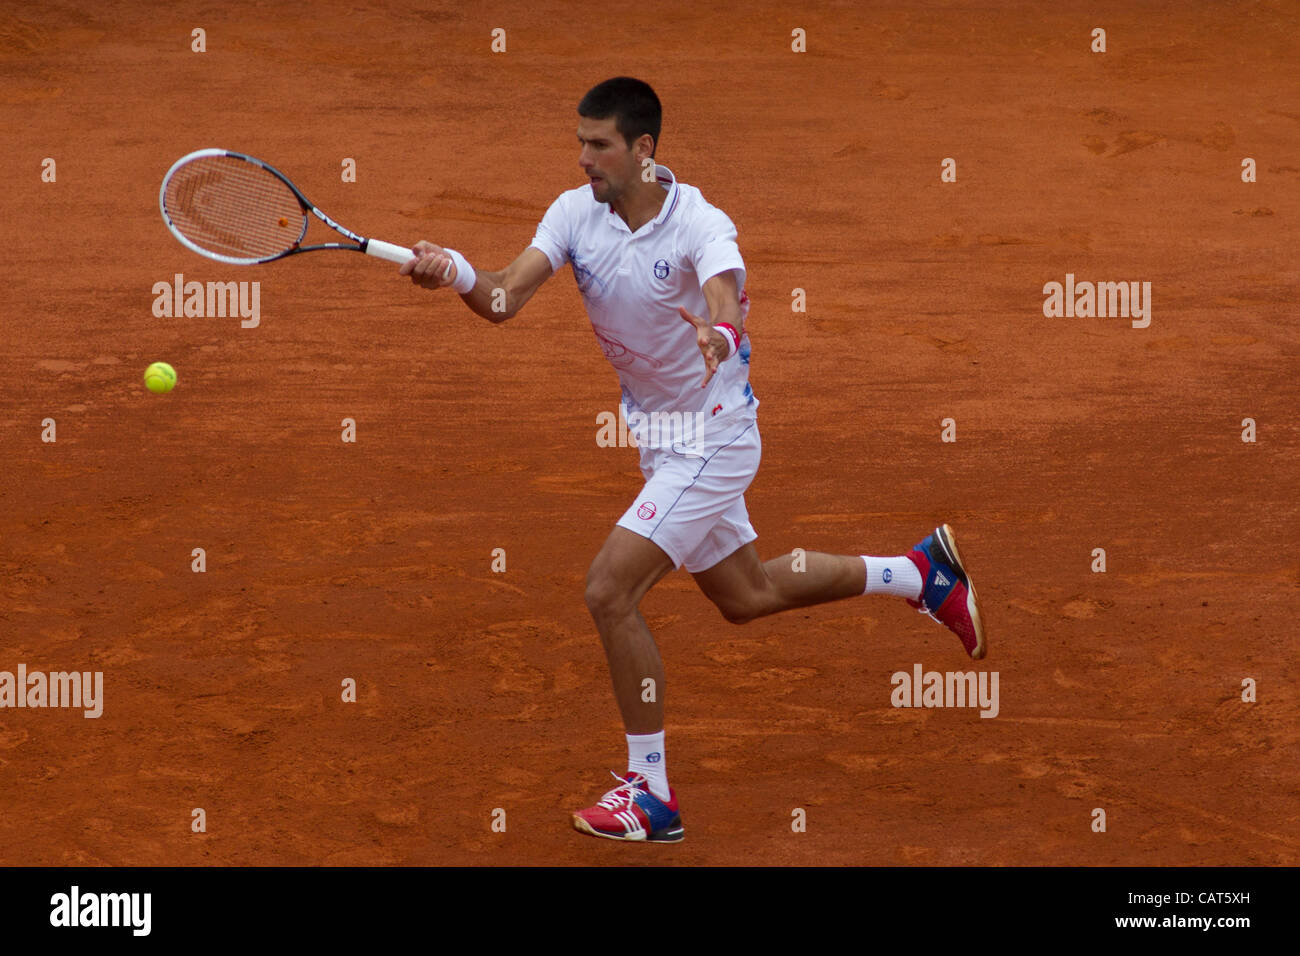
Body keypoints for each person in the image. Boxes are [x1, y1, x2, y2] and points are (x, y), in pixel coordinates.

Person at [400, 77, 986, 844]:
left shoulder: (700, 224)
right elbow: (506, 299)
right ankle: (919, 574)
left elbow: (725, 295)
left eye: (599, 145)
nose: (583, 159)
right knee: (747, 595)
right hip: (659, 442)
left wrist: (720, 332)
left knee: (609, 590)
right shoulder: (575, 214)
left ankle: (651, 795)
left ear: (644, 151)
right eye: (580, 142)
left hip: (713, 440)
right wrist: (458, 275)